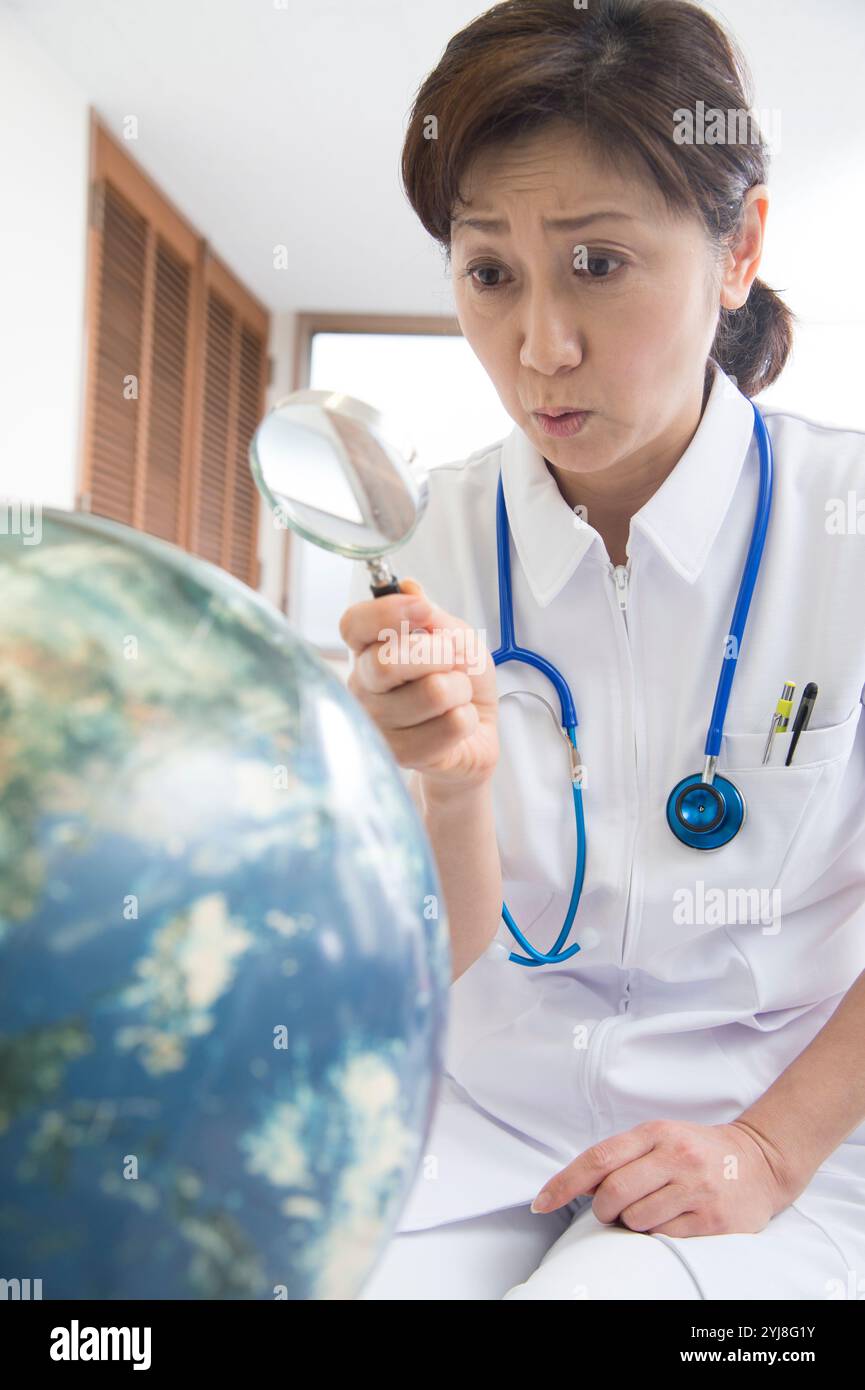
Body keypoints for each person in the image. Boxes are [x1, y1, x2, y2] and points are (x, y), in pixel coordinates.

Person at [339, 0, 865, 1300]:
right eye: (489, 272)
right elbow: (428, 952)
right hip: (473, 1125)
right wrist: (448, 786)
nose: (538, 349)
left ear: (736, 247)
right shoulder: (426, 548)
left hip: (765, 1134)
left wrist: (764, 1148)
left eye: (597, 265)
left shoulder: (841, 528)